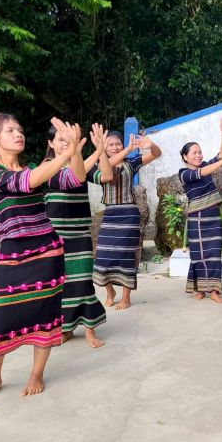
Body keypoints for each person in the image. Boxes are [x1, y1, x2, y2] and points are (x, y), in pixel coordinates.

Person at [0, 113, 85, 401]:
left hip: (48, 251)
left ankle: (36, 375)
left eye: (20, 129)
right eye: (10, 130)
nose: (18, 133)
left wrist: (75, 152)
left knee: (46, 315)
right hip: (13, 255)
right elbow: (25, 182)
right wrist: (65, 154)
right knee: (0, 318)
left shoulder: (35, 167)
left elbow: (76, 178)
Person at [44, 122, 113, 348]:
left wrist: (100, 151)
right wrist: (92, 152)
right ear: (50, 144)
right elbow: (75, 176)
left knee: (83, 282)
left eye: (68, 139)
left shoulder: (81, 165)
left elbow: (105, 176)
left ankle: (89, 331)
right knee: (61, 284)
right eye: (60, 140)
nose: (65, 143)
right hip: (55, 236)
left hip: (80, 233)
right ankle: (66, 328)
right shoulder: (46, 167)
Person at [93, 130, 162, 309]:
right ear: (103, 148)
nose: (115, 147)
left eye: (118, 144)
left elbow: (156, 154)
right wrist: (127, 150)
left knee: (126, 257)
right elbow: (105, 168)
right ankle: (110, 292)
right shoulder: (98, 163)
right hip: (110, 213)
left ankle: (126, 298)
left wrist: (150, 144)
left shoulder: (130, 163)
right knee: (102, 256)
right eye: (110, 145)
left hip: (129, 214)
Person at [178, 118, 222, 303]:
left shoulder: (205, 166)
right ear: (185, 157)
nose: (198, 155)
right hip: (196, 219)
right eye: (194, 153)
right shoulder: (184, 173)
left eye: (200, 152)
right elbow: (203, 172)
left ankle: (214, 291)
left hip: (212, 217)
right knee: (198, 255)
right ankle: (200, 289)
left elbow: (221, 155)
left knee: (214, 253)